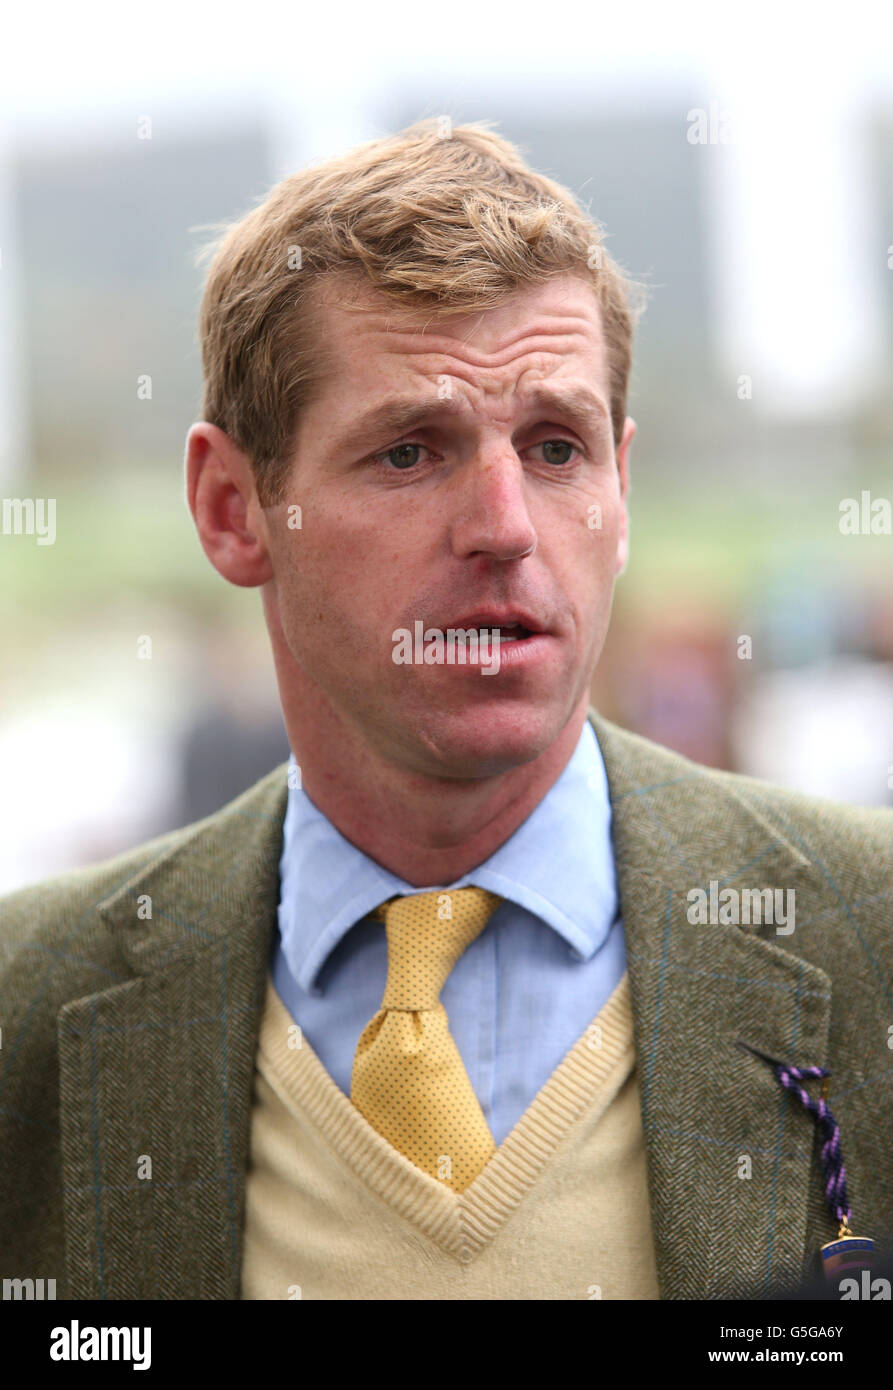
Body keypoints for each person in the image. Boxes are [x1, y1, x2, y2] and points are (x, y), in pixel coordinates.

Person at [1, 119, 890, 1302]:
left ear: (621, 489)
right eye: (411, 452)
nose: (504, 524)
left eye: (555, 448)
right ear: (232, 508)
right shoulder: (33, 1011)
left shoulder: (863, 939)